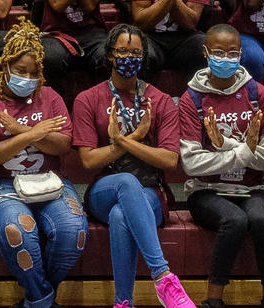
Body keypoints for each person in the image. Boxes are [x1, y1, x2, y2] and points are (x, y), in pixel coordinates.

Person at [69, 24, 196, 308]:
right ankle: (163, 277)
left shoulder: (161, 101)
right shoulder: (88, 99)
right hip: (105, 188)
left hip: (151, 191)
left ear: (144, 56)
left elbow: (169, 160)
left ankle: (122, 303)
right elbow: (88, 160)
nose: (129, 57)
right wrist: (132, 139)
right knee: (125, 182)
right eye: (122, 51)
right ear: (110, 55)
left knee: (120, 216)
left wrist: (126, 141)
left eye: (135, 52)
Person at [0, 20, 86, 308]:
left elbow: (63, 145)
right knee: (17, 230)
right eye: (21, 71)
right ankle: (44, 302)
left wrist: (18, 131)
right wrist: (34, 133)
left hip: (49, 180)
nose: (28, 78)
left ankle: (36, 300)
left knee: (74, 231)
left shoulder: (51, 97)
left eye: (34, 73)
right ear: (4, 67)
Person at [178, 25, 264, 308]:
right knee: (235, 221)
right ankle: (213, 301)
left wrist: (224, 144)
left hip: (252, 187)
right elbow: (192, 163)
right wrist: (247, 149)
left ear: (241, 54)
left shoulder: (257, 94)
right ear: (205, 53)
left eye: (232, 52)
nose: (225, 58)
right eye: (218, 52)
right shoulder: (192, 99)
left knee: (263, 222)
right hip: (206, 189)